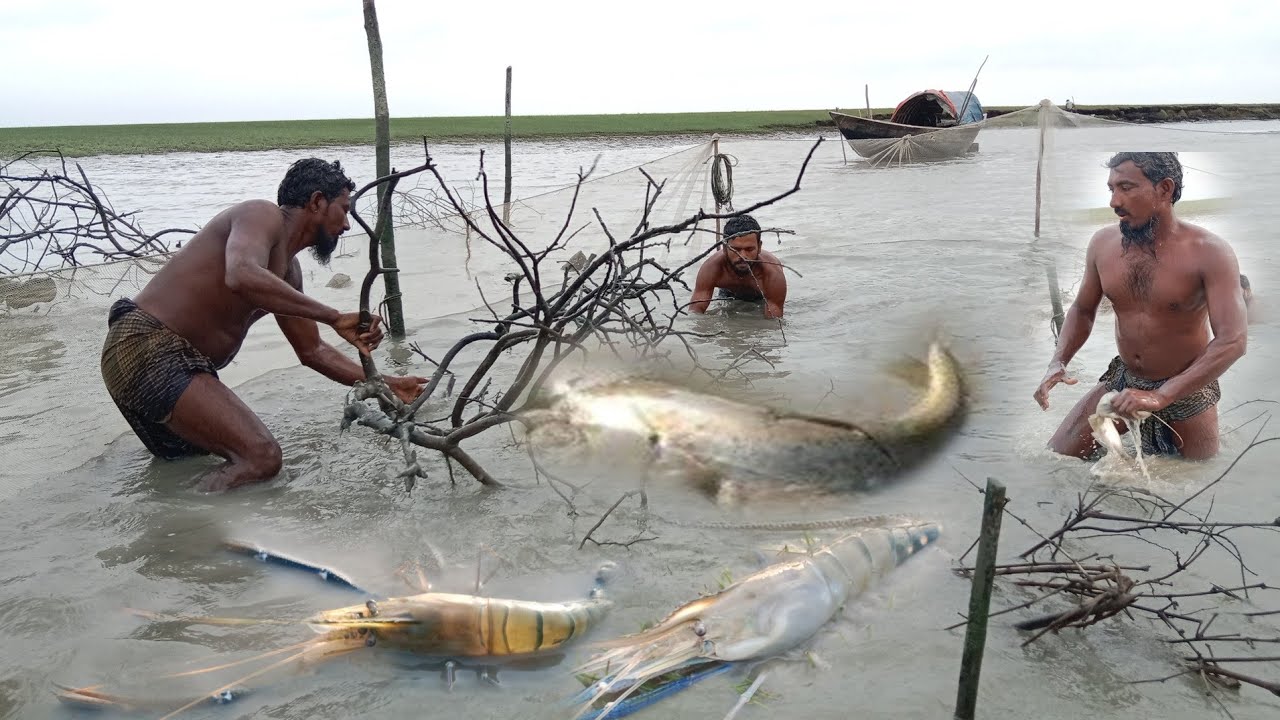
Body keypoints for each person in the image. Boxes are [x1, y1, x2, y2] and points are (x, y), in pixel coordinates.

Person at [100, 158, 428, 492]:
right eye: (343, 209)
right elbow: (240, 273)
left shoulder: (289, 274)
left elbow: (312, 351)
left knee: (188, 467)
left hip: (154, 364)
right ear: (316, 202)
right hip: (147, 347)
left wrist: (389, 383)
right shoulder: (261, 214)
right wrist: (332, 316)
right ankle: (193, 535)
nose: (346, 225)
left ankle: (167, 533)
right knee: (261, 457)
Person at [1033, 152, 1246, 461]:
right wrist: (1059, 360)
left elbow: (1233, 340)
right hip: (1125, 380)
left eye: (1127, 187)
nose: (1114, 201)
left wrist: (1161, 396)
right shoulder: (1103, 244)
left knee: (1196, 482)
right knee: (1057, 458)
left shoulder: (1210, 253)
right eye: (1111, 189)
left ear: (1164, 190)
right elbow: (1082, 309)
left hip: (1188, 389)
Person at [688, 214, 788, 318]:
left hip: (761, 297)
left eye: (749, 249)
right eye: (735, 250)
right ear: (725, 248)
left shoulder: (771, 274)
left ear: (759, 247)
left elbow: (774, 322)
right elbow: (695, 312)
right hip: (728, 294)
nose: (742, 256)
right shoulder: (712, 268)